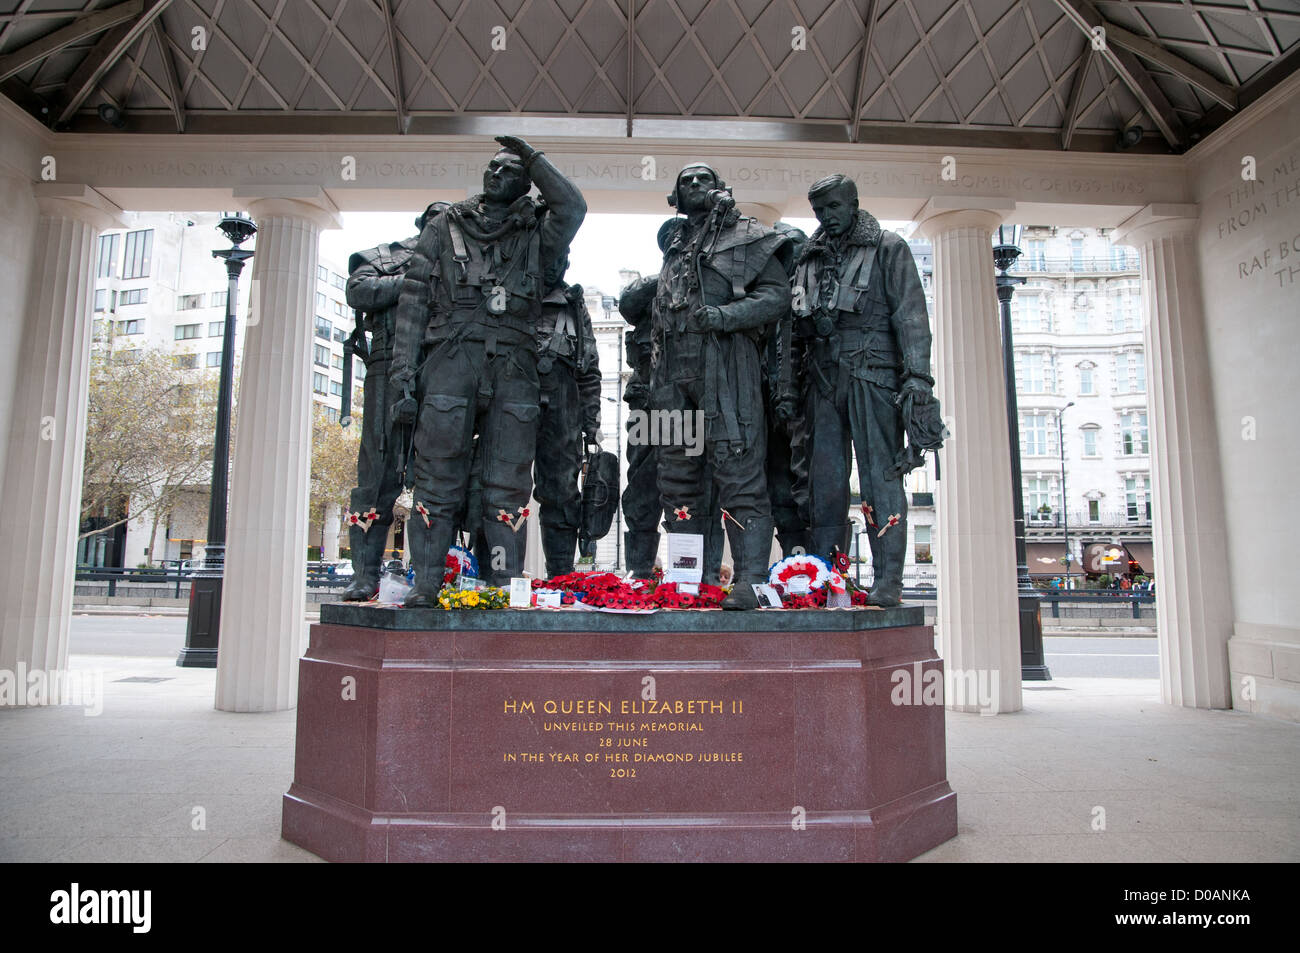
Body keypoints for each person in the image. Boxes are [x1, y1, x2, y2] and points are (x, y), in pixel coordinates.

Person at [389, 135, 586, 604]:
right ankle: (426, 584)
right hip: (450, 361)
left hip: (515, 365)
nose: (497, 175)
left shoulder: (540, 231)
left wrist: (535, 158)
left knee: (509, 483)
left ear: (527, 185)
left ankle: (503, 586)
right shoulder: (444, 224)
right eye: (492, 168)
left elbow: (573, 207)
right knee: (436, 477)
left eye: (510, 172)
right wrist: (402, 373)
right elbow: (413, 301)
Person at [792, 174, 942, 607]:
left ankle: (888, 579)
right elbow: (794, 328)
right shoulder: (808, 256)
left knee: (881, 478)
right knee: (825, 484)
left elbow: (912, 319)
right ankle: (826, 576)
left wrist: (917, 379)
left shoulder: (889, 247)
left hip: (873, 376)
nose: (826, 217)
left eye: (834, 207)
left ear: (853, 203)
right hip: (820, 380)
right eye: (819, 210)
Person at [652, 162, 792, 609]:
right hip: (673, 377)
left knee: (739, 475)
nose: (694, 185)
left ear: (720, 189)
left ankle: (749, 581)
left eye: (703, 179)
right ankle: (685, 579)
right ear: (676, 197)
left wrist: (725, 317)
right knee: (676, 479)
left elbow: (776, 297)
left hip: (727, 371)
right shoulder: (674, 245)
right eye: (685, 180)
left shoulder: (748, 234)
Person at [338, 203, 441, 601]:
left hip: (442, 370)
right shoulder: (384, 257)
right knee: (377, 476)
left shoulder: (465, 265)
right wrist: (417, 280)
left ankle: (431, 578)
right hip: (387, 369)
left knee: (439, 479)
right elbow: (359, 291)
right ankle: (365, 576)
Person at [534, 254, 602, 578]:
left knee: (562, 493)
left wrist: (592, 425)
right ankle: (495, 580)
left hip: (563, 411)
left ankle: (559, 578)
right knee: (499, 490)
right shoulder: (508, 295)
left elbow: (589, 371)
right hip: (510, 400)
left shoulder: (574, 306)